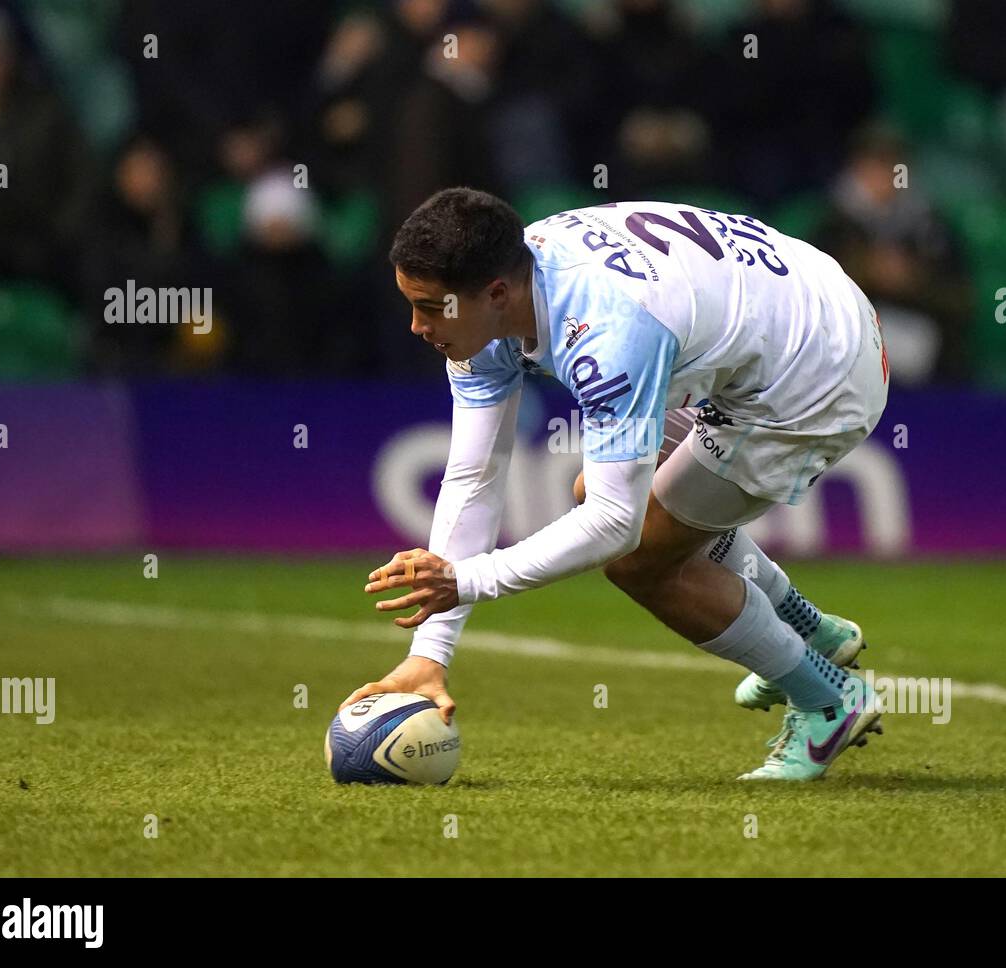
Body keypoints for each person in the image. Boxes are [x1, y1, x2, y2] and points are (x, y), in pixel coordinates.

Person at [341, 188, 889, 781]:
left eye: (430, 308)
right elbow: (474, 477)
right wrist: (428, 656)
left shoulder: (609, 332)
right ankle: (811, 627)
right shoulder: (500, 280)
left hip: (816, 373)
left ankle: (827, 700)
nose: (417, 327)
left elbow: (613, 527)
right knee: (597, 493)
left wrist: (469, 579)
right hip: (792, 298)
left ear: (496, 294)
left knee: (640, 561)